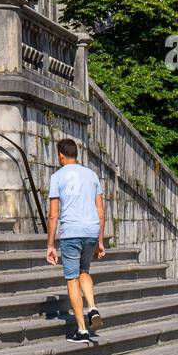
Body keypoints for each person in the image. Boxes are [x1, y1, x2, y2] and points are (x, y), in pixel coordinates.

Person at [45, 138, 106, 343]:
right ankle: (93, 307)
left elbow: (53, 215)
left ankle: (82, 329)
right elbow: (100, 211)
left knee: (72, 279)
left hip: (71, 233)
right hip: (91, 230)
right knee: (84, 272)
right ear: (76, 154)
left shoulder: (57, 177)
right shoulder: (91, 175)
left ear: (61, 155)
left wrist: (50, 245)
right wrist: (100, 242)